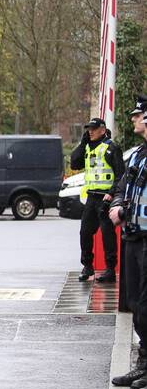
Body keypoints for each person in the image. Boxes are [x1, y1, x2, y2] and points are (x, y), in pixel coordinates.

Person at [111, 96, 147, 389]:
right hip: (134, 238)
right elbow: (123, 185)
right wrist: (120, 204)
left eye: (138, 115)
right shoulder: (137, 154)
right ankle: (144, 366)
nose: (133, 119)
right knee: (136, 302)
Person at [72, 116, 124, 283]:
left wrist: (111, 194)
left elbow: (120, 176)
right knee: (85, 232)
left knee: (107, 234)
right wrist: (82, 143)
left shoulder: (111, 148)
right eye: (88, 129)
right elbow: (74, 163)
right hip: (91, 198)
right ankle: (87, 266)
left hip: (106, 198)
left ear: (102, 130)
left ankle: (110, 269)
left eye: (93, 129)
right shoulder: (88, 147)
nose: (90, 132)